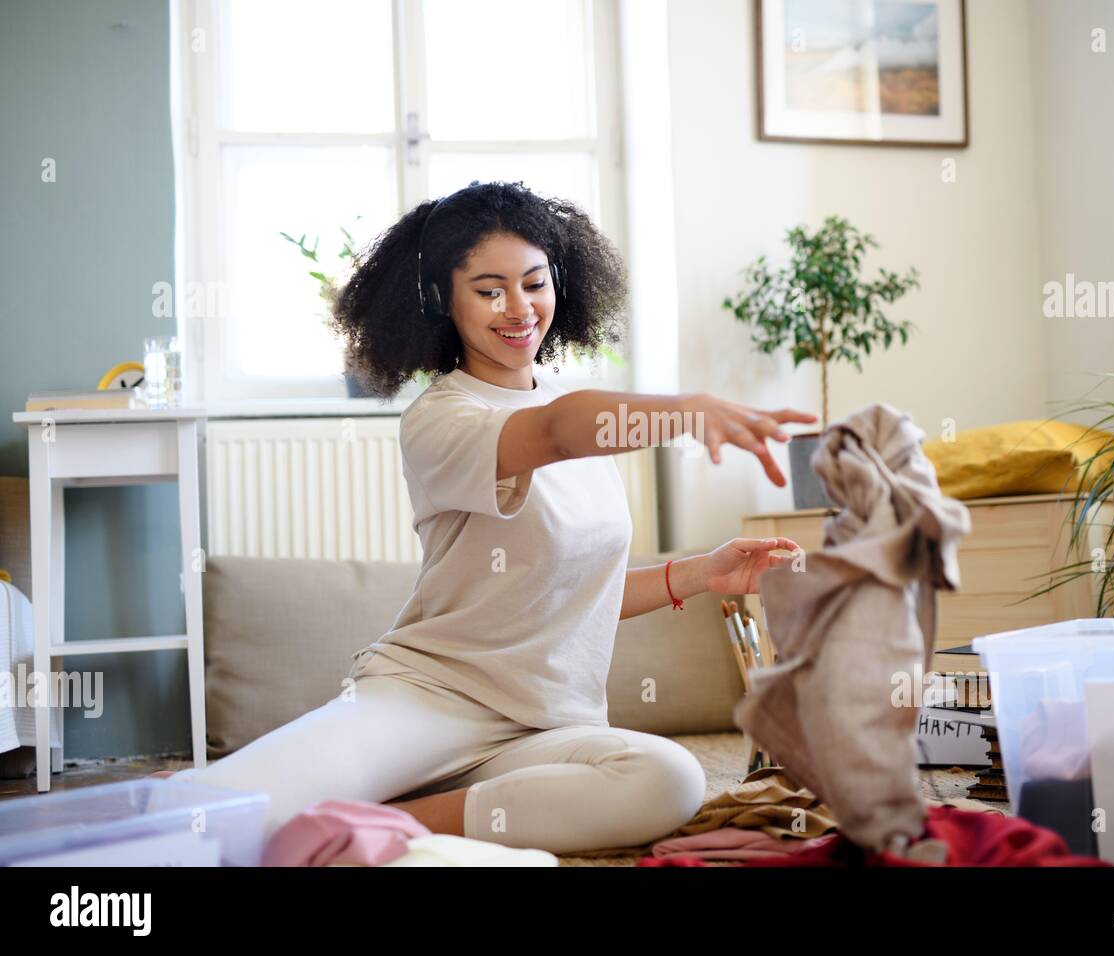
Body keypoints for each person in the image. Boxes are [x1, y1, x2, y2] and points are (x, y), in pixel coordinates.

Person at [160, 180, 817, 856]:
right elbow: (557, 432)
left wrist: (702, 573)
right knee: (209, 821)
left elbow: (570, 594)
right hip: (426, 701)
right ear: (442, 300)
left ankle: (388, 819)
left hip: (546, 729)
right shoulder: (444, 418)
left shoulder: (576, 412)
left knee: (669, 778)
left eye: (535, 282)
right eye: (488, 288)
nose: (519, 308)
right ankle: (321, 797)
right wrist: (685, 410)